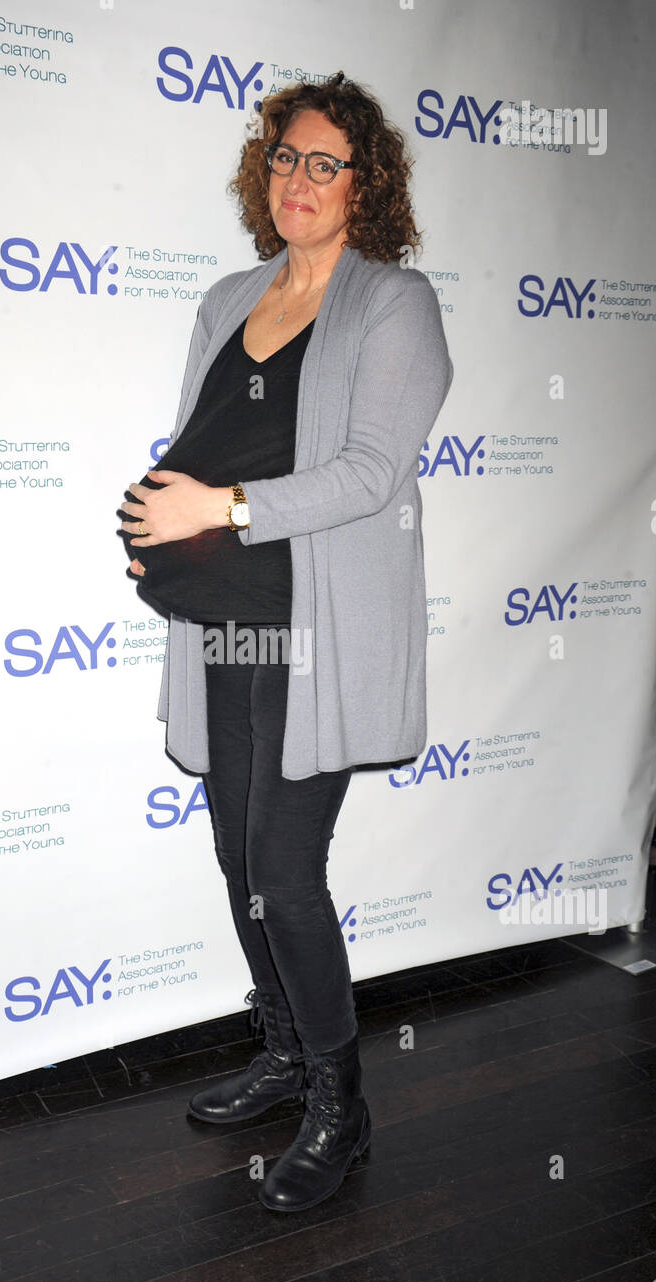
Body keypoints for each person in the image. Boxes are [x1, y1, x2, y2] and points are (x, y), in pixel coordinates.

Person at [118, 71, 453, 1213]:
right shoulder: (225, 297)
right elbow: (195, 446)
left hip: (316, 633)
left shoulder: (392, 305)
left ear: (367, 184)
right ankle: (276, 1047)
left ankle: (338, 1101)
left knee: (282, 870)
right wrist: (160, 534)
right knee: (232, 857)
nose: (297, 180)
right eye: (283, 158)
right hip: (228, 623)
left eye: (324, 162)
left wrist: (217, 514)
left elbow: (368, 473)